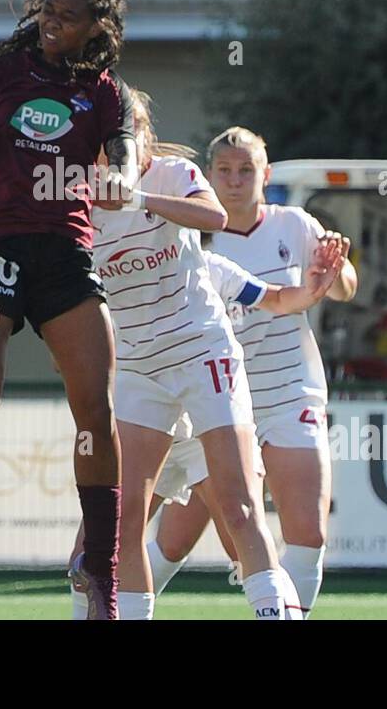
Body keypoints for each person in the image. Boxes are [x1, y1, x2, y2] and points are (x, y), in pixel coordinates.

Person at [0, 0, 138, 617]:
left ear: (96, 28)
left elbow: (126, 161)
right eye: (47, 11)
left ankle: (99, 569)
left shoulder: (107, 91)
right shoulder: (1, 73)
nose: (52, 24)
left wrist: (122, 176)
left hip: (64, 254)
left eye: (67, 17)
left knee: (96, 410)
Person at [76, 90, 304, 619]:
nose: (116, 146)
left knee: (239, 503)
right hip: (135, 365)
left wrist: (135, 198)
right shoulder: (79, 193)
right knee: (124, 516)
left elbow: (215, 217)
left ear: (143, 134)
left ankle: (276, 610)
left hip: (202, 349)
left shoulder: (173, 174)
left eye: (125, 132)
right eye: (107, 135)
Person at [207, 125, 357, 618]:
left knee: (308, 533)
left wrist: (334, 268)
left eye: (246, 169)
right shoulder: (195, 239)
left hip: (292, 392)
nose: (235, 180)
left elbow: (345, 287)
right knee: (199, 538)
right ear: (210, 176)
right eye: (225, 170)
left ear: (264, 175)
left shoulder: (294, 223)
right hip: (219, 398)